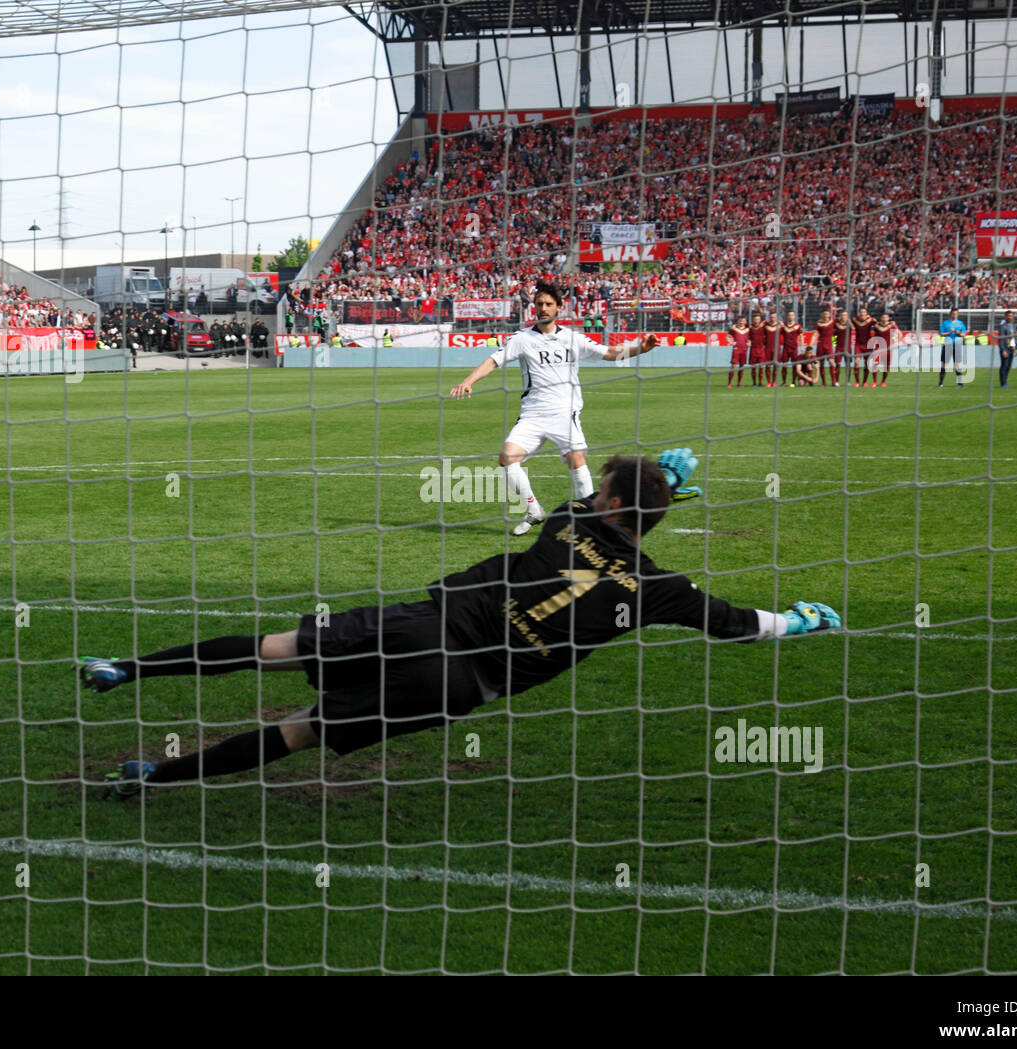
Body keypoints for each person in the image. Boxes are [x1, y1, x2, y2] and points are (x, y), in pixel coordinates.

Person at [82, 453, 841, 796]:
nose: (596, 485)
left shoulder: (569, 521)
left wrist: (662, 477)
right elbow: (737, 624)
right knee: (300, 733)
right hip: (457, 681)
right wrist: (796, 623)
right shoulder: (664, 588)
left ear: (607, 503)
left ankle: (127, 669)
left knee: (267, 649)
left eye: (606, 481)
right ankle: (155, 779)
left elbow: (599, 492)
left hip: (426, 621)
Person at [449, 279, 657, 536]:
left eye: (549, 304)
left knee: (576, 459)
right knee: (507, 459)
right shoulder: (522, 338)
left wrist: (640, 349)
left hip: (564, 413)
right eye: (539, 304)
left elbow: (610, 353)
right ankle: (534, 510)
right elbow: (493, 361)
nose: (543, 308)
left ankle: (591, 521)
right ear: (533, 307)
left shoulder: (572, 338)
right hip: (532, 415)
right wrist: (468, 381)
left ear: (559, 307)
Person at [938, 307, 966, 388]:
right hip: (948, 345)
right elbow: (941, 333)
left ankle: (960, 383)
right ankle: (940, 383)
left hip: (957, 345)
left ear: (958, 314)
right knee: (944, 364)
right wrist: (949, 332)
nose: (955, 315)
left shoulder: (960, 323)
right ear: (951, 314)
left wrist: (958, 333)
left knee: (957, 364)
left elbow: (963, 334)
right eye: (953, 314)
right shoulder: (945, 323)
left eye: (956, 314)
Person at [869, 312, 896, 388]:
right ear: (881, 318)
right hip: (879, 348)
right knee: (875, 364)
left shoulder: (892, 326)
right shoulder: (877, 326)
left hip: (888, 348)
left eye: (886, 317)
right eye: (883, 317)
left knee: (886, 366)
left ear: (888, 318)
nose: (884, 318)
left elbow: (896, 335)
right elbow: (874, 335)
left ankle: (883, 382)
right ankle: (874, 382)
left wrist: (893, 344)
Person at [851, 306, 875, 386]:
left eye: (864, 312)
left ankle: (864, 382)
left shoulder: (870, 320)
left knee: (867, 364)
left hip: (868, 345)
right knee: (856, 363)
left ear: (866, 313)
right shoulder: (855, 320)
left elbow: (878, 324)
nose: (862, 314)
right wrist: (851, 326)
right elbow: (848, 320)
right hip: (858, 344)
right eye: (861, 312)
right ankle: (857, 382)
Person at [996, 309, 1017, 388]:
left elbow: (1015, 337)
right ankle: (1003, 383)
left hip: (1011, 348)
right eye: (1008, 316)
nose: (1010, 317)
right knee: (1004, 365)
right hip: (1005, 348)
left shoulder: (1014, 326)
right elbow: (1001, 339)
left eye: (1011, 316)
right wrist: (1003, 350)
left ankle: (1005, 382)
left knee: (1008, 366)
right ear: (1005, 317)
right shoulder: (1002, 327)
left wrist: (1016, 348)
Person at [814, 308, 836, 385]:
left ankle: (833, 382)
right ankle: (824, 382)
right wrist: (811, 343)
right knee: (821, 363)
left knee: (831, 362)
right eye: (824, 314)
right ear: (822, 315)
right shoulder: (819, 323)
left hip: (829, 345)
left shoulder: (833, 321)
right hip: (820, 345)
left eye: (827, 314)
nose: (825, 315)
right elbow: (815, 333)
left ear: (829, 314)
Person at [779, 310, 802, 386]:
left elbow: (800, 336)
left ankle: (793, 381)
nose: (790, 316)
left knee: (794, 366)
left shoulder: (797, 325)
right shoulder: (783, 325)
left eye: (792, 315)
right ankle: (784, 382)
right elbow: (778, 333)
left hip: (794, 348)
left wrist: (802, 346)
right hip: (785, 348)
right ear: (787, 316)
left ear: (794, 316)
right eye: (789, 315)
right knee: (784, 365)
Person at [728, 314, 750, 388]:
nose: (741, 322)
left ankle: (739, 383)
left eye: (743, 321)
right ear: (738, 321)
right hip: (736, 349)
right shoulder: (734, 328)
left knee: (742, 366)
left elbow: (751, 338)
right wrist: (731, 342)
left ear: (745, 321)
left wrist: (749, 342)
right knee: (733, 366)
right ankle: (729, 383)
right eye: (740, 320)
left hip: (744, 350)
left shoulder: (748, 329)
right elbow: (728, 336)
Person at [833, 309, 853, 385]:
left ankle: (848, 381)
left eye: (845, 315)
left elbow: (854, 329)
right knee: (837, 364)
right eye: (842, 315)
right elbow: (833, 335)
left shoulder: (849, 324)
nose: (843, 316)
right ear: (840, 316)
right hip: (838, 347)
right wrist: (834, 344)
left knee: (848, 364)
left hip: (847, 347)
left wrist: (850, 322)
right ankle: (837, 381)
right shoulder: (836, 324)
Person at [748, 311, 767, 386]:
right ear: (753, 320)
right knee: (753, 367)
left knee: (761, 367)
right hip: (753, 349)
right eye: (755, 319)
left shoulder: (763, 327)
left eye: (758, 319)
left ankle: (760, 382)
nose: (756, 321)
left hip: (761, 349)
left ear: (760, 320)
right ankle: (754, 382)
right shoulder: (749, 327)